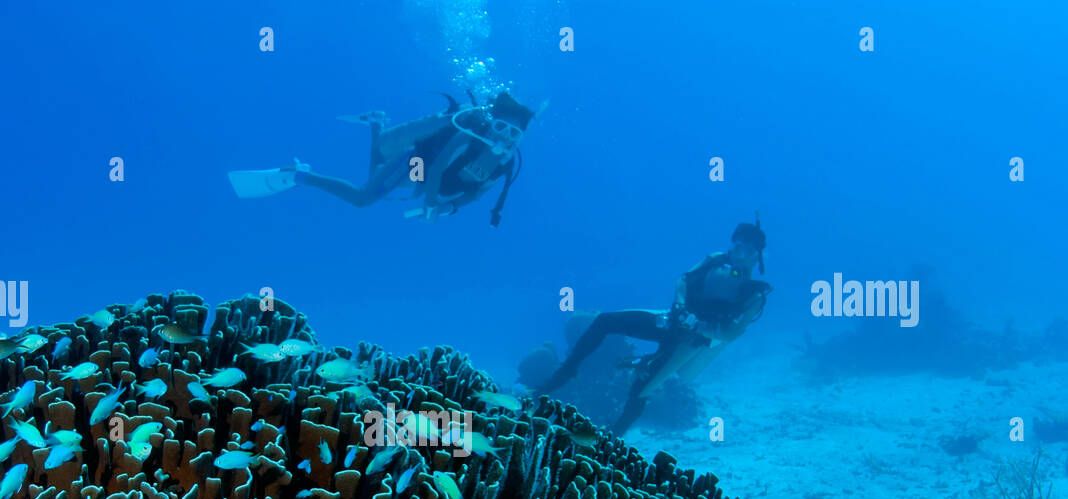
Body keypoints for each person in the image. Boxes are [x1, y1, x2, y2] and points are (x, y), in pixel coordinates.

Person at [533, 222, 772, 431]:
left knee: (642, 389)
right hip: (671, 320)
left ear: (757, 256)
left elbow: (732, 333)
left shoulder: (755, 294)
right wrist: (680, 306)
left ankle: (612, 437)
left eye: (748, 250)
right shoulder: (714, 260)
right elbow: (684, 280)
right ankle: (565, 372)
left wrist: (698, 326)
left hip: (691, 343)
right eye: (737, 245)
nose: (739, 254)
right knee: (605, 321)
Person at [227, 90, 534, 226]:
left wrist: (446, 209)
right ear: (492, 123)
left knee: (380, 177)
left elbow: (476, 194)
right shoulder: (469, 135)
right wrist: (430, 204)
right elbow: (439, 165)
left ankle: (375, 123)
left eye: (514, 133)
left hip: (423, 180)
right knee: (363, 197)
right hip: (419, 161)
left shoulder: (507, 164)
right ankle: (299, 174)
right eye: (501, 127)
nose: (504, 137)